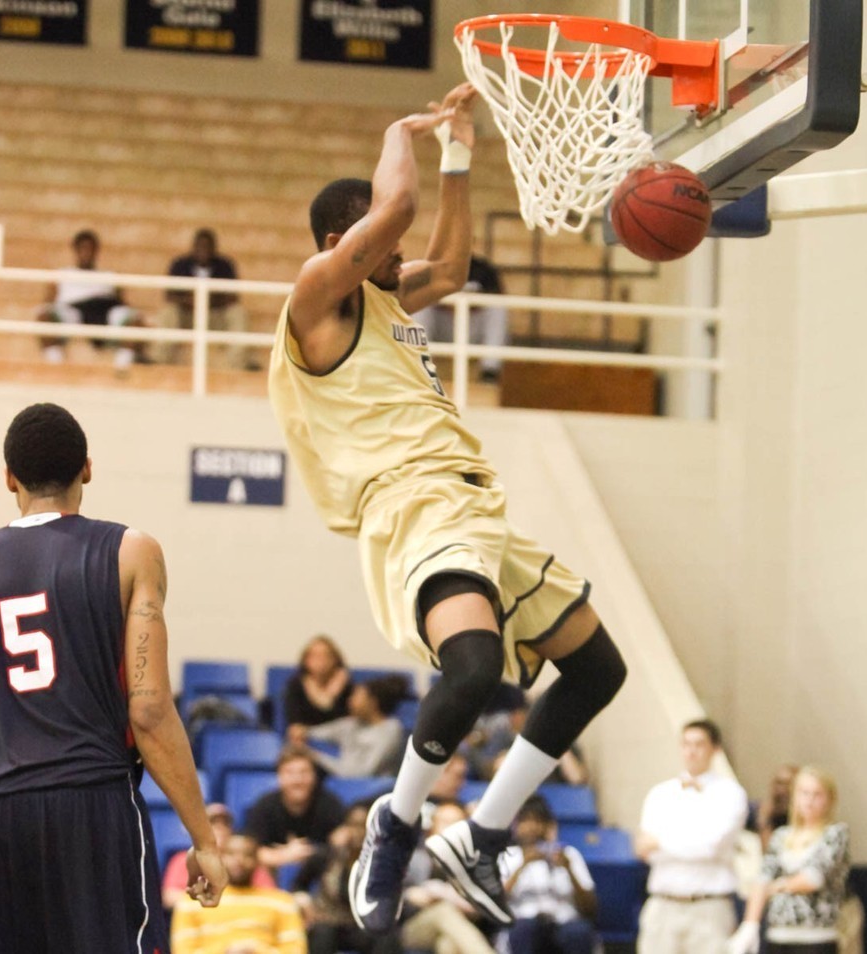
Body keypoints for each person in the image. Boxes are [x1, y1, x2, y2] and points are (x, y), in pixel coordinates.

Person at [267, 81, 627, 935]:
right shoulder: (316, 301)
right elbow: (394, 207)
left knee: (598, 670)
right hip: (411, 507)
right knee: (470, 671)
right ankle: (393, 827)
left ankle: (484, 833)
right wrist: (403, 132)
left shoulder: (389, 301)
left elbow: (456, 265)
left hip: (473, 505)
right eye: (378, 244)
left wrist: (461, 153)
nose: (397, 257)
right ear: (337, 242)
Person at [0, 402, 227, 951]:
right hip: (93, 805)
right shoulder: (131, 552)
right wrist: (203, 838)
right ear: (87, 468)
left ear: (8, 478)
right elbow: (149, 710)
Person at [635, 719, 748, 954]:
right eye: (686, 744)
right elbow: (646, 850)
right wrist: (689, 841)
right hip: (662, 902)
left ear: (715, 749)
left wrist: (662, 842)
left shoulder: (730, 793)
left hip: (709, 906)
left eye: (699, 744)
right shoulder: (660, 793)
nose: (691, 751)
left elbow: (711, 847)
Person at [727, 766, 850, 954]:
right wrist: (750, 925)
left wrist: (777, 886)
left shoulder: (835, 834)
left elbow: (812, 879)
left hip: (816, 937)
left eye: (817, 795)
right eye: (804, 793)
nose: (809, 801)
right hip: (778, 935)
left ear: (829, 800)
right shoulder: (781, 836)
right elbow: (763, 877)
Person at [293, 801, 402, 954]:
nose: (358, 831)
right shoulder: (327, 856)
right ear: (345, 828)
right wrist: (303, 900)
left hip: (361, 925)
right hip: (328, 920)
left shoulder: (382, 862)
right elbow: (298, 885)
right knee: (323, 932)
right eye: (353, 825)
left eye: (364, 826)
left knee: (386, 935)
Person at [172, 833, 306, 954]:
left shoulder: (282, 902)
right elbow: (182, 950)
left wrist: (256, 951)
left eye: (247, 855)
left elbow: (296, 950)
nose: (239, 861)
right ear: (219, 858)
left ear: (257, 861)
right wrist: (225, 951)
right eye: (231, 854)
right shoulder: (193, 902)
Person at [36, 229, 151, 371]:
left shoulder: (110, 276)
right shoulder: (62, 274)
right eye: (83, 248)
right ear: (75, 250)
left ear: (97, 251)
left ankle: (122, 368)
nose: (87, 253)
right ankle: (55, 366)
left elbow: (123, 304)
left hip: (104, 311)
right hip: (73, 311)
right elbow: (48, 303)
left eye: (90, 249)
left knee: (135, 318)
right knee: (43, 315)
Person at [500, 794, 599, 954]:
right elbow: (497, 902)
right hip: (525, 922)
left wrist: (569, 869)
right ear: (516, 826)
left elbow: (590, 908)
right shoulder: (508, 856)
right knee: (525, 929)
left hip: (564, 922)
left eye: (537, 820)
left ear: (547, 825)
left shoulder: (569, 854)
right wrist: (522, 866)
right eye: (526, 821)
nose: (532, 827)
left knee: (579, 932)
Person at [400, 801, 497, 954]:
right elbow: (392, 896)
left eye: (457, 824)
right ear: (431, 828)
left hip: (457, 928)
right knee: (443, 911)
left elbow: (483, 908)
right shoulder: (413, 858)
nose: (451, 829)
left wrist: (442, 894)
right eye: (445, 822)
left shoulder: (473, 863)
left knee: (447, 945)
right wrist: (409, 895)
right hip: (413, 928)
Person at [156, 227, 259, 370]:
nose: (203, 250)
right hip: (187, 316)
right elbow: (169, 296)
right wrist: (189, 300)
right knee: (168, 312)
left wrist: (208, 300)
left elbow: (233, 297)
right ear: (193, 247)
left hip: (215, 315)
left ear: (214, 248)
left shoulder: (225, 266)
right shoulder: (179, 264)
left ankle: (238, 364)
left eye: (207, 246)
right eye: (200, 246)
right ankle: (159, 358)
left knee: (238, 313)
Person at [243, 743, 346, 874]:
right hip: (273, 882)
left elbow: (343, 843)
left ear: (314, 776)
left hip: (319, 880)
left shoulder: (329, 804)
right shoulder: (265, 805)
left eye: (304, 772)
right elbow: (250, 852)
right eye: (290, 773)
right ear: (279, 777)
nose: (297, 780)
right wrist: (284, 855)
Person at [163, 802, 276, 910]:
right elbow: (170, 898)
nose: (219, 829)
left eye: (225, 824)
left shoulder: (246, 860)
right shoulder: (183, 859)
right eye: (212, 824)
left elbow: (269, 898)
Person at [414, 254, 509, 383]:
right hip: (443, 324)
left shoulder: (484, 269)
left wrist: (470, 304)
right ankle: (419, 365)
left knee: (498, 308)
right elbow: (421, 294)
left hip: (472, 325)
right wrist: (449, 303)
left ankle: (490, 371)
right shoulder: (434, 266)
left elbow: (496, 295)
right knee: (421, 307)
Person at [307, 675, 410, 777]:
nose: (350, 701)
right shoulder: (349, 724)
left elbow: (363, 772)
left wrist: (316, 757)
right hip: (343, 783)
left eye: (356, 696)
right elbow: (314, 732)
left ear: (373, 702)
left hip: (376, 788)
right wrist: (302, 733)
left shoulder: (390, 730)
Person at [285, 634, 354, 741]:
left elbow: (350, 724)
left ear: (335, 659)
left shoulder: (347, 686)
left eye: (325, 656)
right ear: (305, 660)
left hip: (341, 742)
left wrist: (333, 693)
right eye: (314, 656)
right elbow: (295, 727)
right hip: (306, 741)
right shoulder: (296, 685)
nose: (320, 661)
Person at [755, 763, 799, 851]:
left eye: (788, 784)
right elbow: (768, 854)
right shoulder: (759, 811)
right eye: (779, 783)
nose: (782, 790)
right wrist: (765, 819)